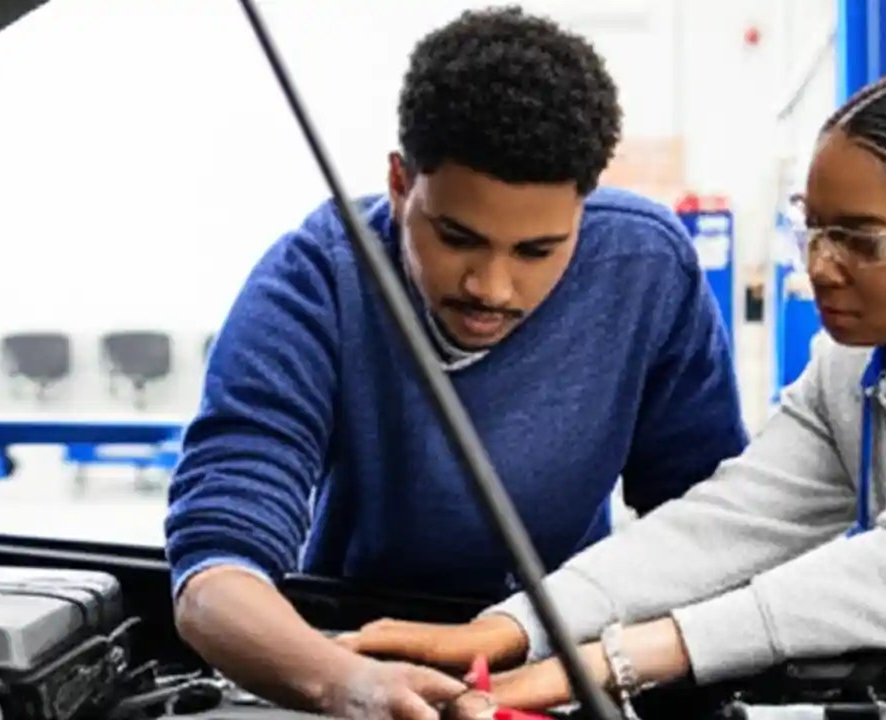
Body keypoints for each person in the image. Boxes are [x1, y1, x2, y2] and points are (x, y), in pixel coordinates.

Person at [339, 67, 886, 717]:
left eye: (864, 240)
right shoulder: (855, 370)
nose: (823, 266)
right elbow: (721, 527)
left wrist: (620, 658)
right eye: (815, 228)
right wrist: (512, 628)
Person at [165, 6, 747, 718]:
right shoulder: (318, 280)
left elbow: (708, 528)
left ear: (583, 210)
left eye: (538, 250)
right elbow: (215, 576)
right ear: (400, 183)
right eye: (457, 237)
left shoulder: (646, 268)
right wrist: (344, 684)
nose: (492, 288)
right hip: (357, 661)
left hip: (561, 666)